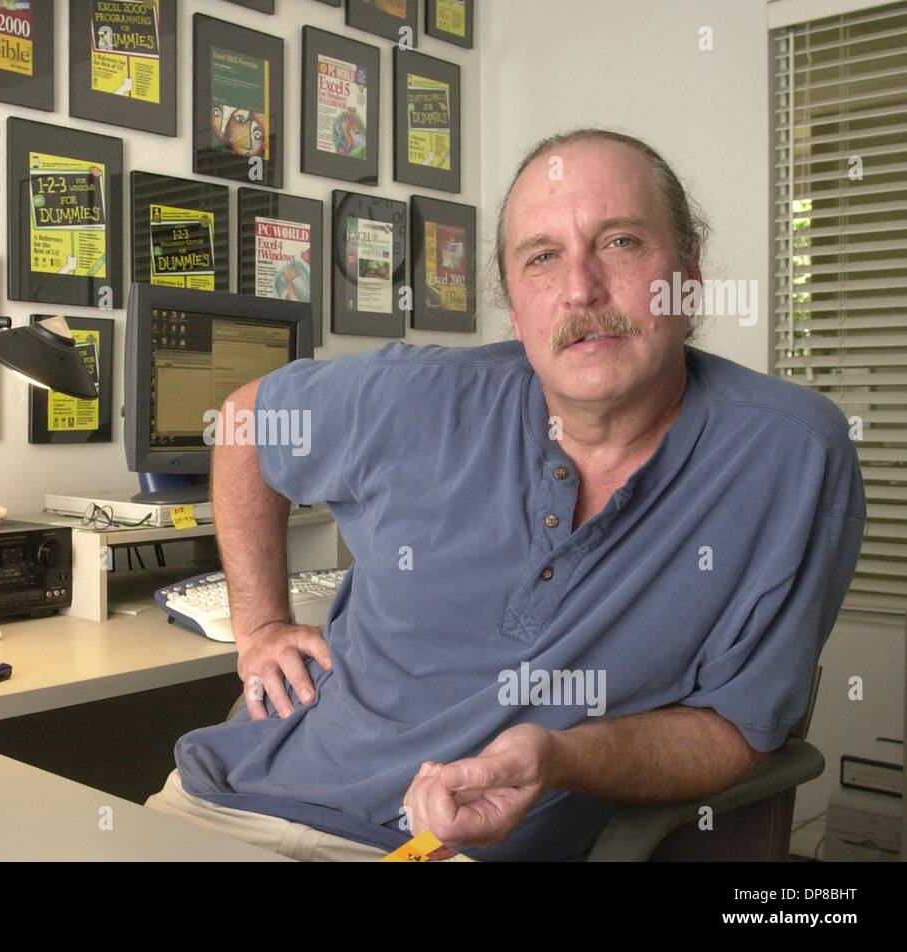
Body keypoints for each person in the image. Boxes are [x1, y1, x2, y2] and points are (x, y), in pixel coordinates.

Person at [144, 128, 866, 861]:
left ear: (689, 275)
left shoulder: (791, 455)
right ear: (516, 309)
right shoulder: (419, 396)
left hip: (444, 847)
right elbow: (244, 422)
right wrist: (260, 623)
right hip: (228, 804)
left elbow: (735, 728)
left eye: (620, 242)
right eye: (543, 258)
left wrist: (559, 757)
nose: (581, 289)